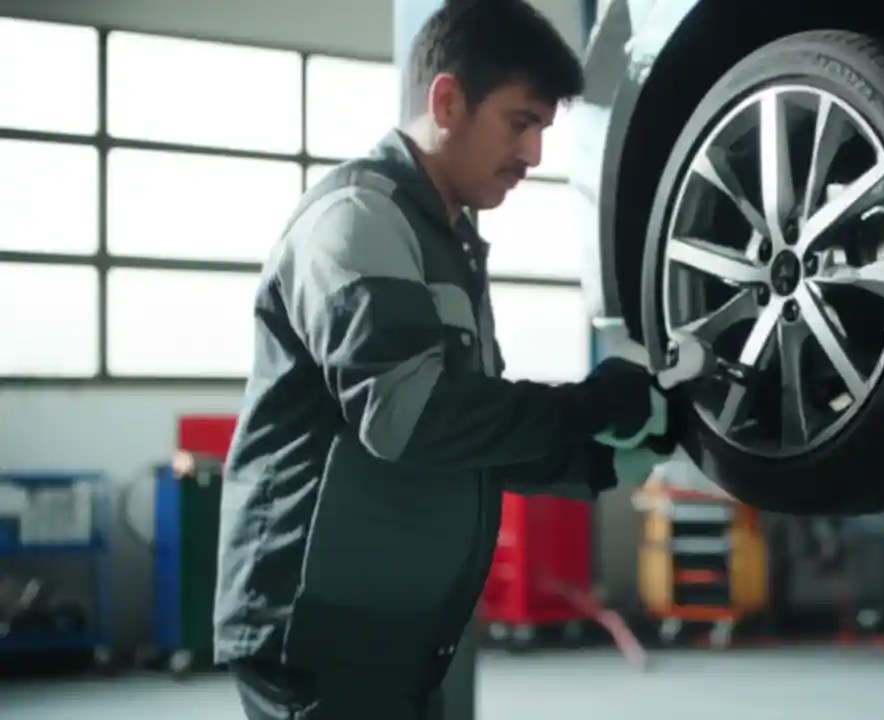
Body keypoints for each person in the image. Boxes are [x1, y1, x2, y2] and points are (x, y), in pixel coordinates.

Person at [216, 1, 668, 717]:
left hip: (389, 630)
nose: (535, 157)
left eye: (544, 131)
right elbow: (413, 419)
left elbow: (469, 434)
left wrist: (594, 462)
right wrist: (588, 405)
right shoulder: (358, 222)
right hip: (317, 630)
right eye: (521, 123)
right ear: (448, 100)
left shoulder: (447, 244)